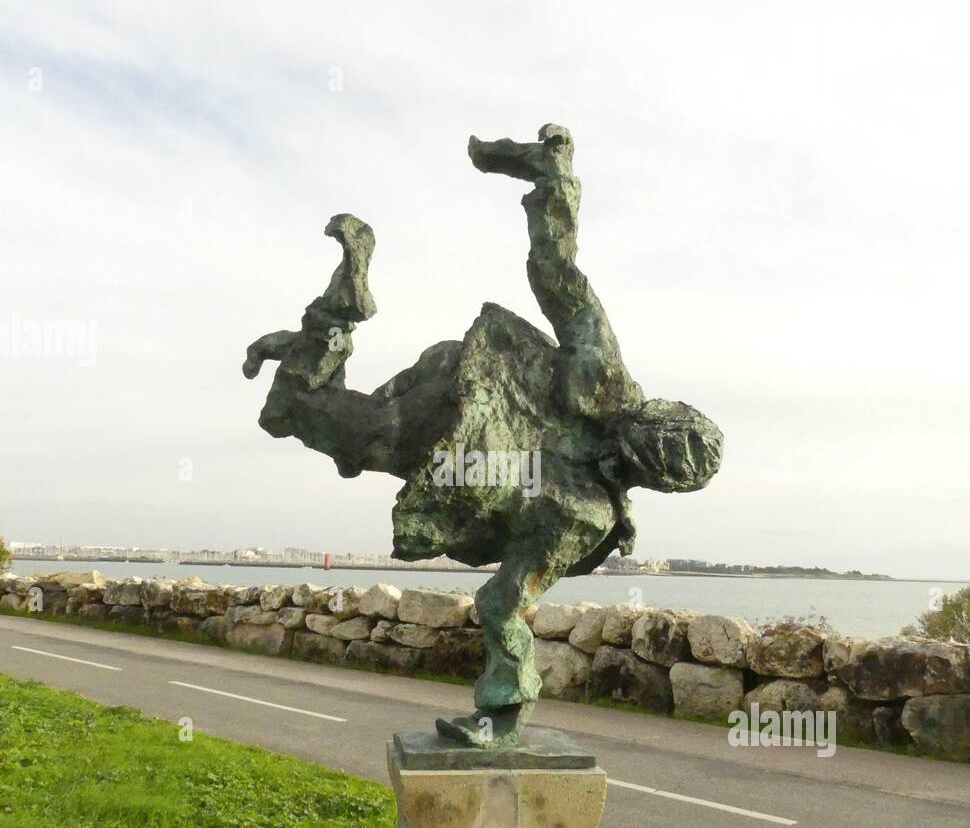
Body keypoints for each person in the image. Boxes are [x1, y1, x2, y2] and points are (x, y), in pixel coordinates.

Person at [244, 125, 723, 746]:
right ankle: (333, 320)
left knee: (309, 415)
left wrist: (555, 181)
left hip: (453, 394)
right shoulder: (591, 479)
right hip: (447, 421)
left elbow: (559, 272)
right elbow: (506, 601)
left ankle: (331, 323)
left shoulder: (597, 432)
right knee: (314, 417)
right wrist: (556, 180)